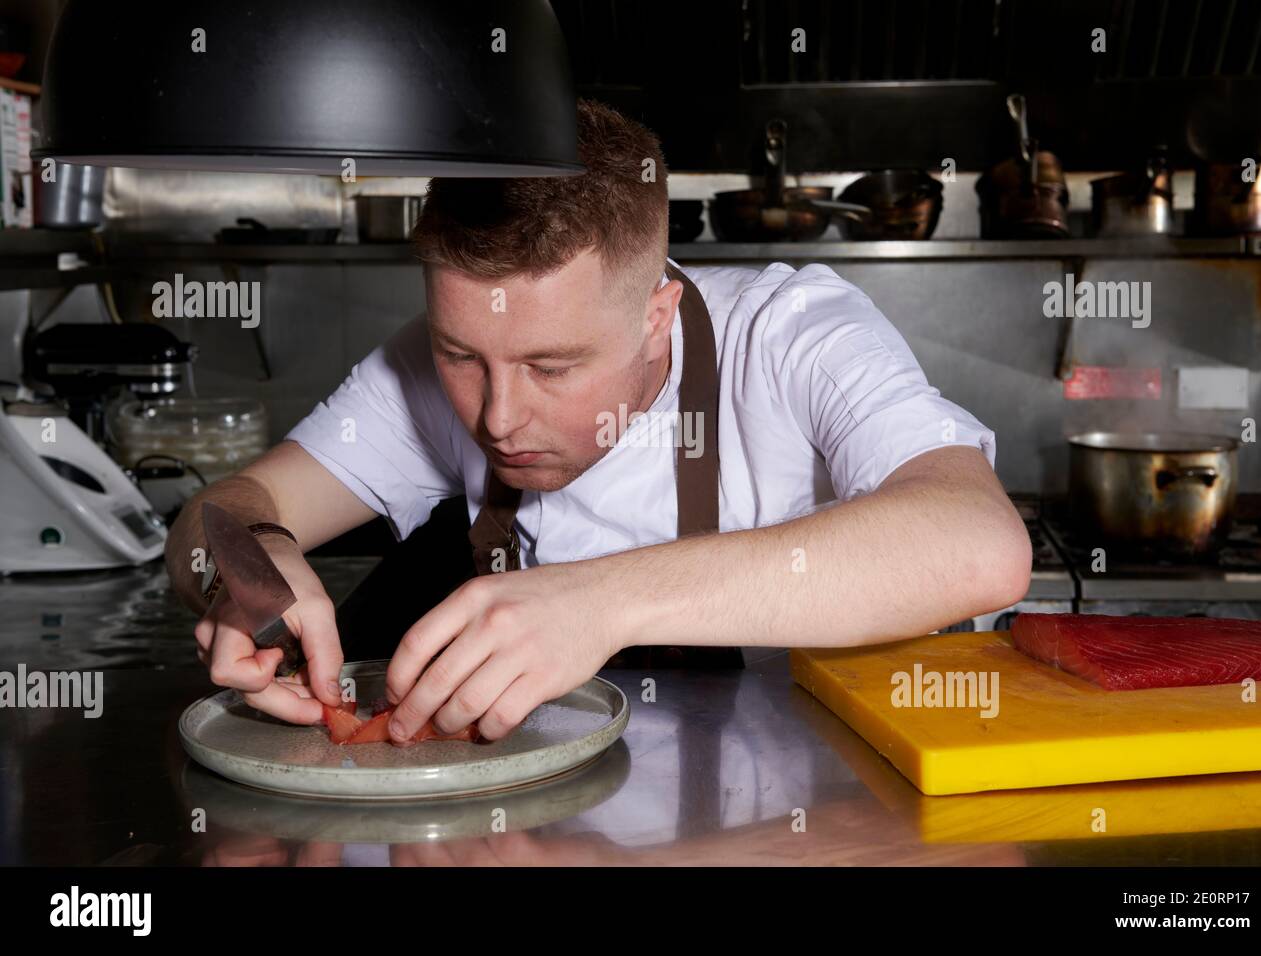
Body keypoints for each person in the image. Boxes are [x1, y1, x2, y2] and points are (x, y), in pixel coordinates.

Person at [165, 99, 1031, 743]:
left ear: (657, 315)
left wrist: (604, 601)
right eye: (462, 357)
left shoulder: (791, 332)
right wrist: (249, 563)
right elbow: (217, 511)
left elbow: (977, 541)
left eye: (552, 366)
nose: (499, 416)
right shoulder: (421, 367)